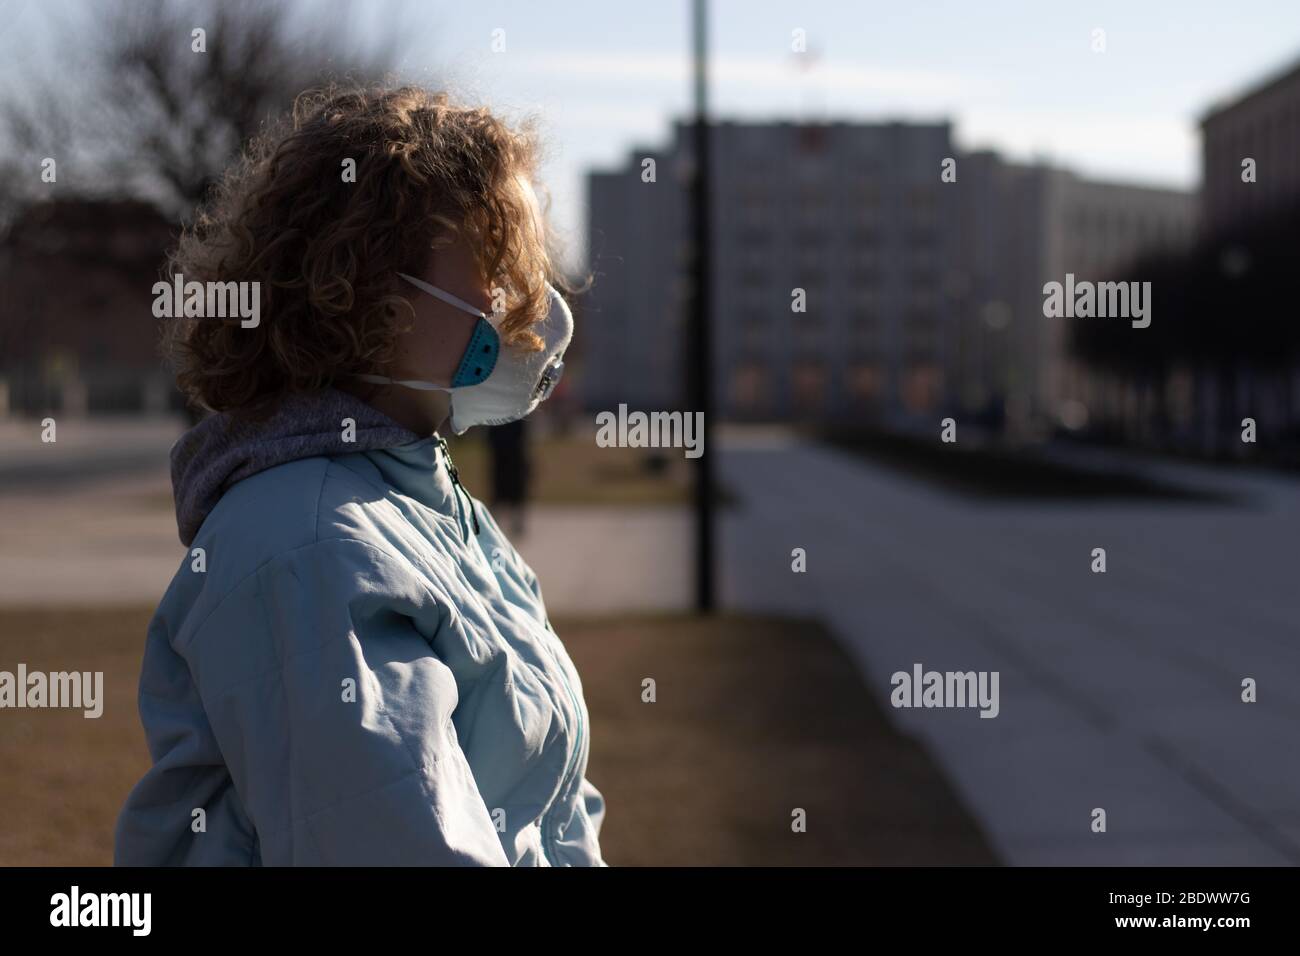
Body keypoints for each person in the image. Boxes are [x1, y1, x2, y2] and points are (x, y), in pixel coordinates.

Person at [114, 85, 606, 866]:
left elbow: (546, 806)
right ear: (368, 293)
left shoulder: (430, 506)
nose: (521, 309)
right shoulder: (308, 544)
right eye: (494, 266)